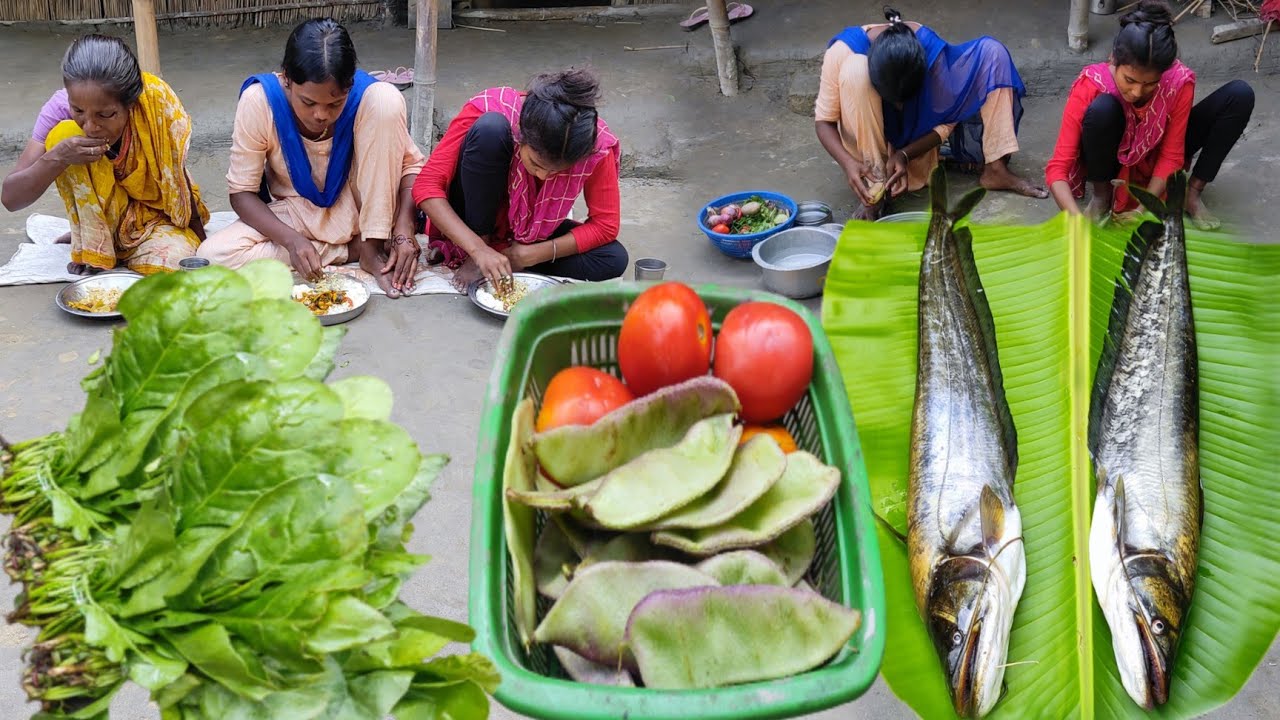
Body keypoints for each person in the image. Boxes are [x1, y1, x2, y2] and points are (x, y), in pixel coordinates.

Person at [198, 18, 424, 297]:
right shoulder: (260, 102)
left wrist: (403, 229)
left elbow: (411, 167)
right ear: (287, 79)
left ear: (349, 87)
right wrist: (291, 241)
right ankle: (352, 251)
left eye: (335, 104)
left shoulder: (368, 98)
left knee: (386, 99)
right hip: (297, 213)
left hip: (366, 213)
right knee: (213, 255)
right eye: (308, 102)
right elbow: (242, 193)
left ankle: (373, 245)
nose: (321, 114)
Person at [1, 35, 208, 275]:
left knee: (175, 263)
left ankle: (113, 243)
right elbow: (11, 198)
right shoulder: (58, 110)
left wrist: (202, 239)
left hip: (156, 217)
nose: (89, 126)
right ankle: (96, 244)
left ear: (130, 105)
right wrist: (59, 157)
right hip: (110, 217)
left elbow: (176, 179)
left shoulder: (154, 105)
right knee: (63, 134)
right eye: (78, 110)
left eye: (105, 115)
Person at [815, 7, 1046, 220]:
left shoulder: (927, 50)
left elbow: (947, 121)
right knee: (855, 71)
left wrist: (904, 154)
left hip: (915, 156)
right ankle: (874, 187)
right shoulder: (843, 52)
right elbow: (823, 122)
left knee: (993, 53)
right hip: (867, 152)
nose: (898, 107)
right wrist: (848, 163)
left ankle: (996, 170)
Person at [1045, 1, 1254, 229]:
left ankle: (1191, 193)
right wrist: (1075, 221)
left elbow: (1172, 155)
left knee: (1239, 95)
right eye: (1130, 80)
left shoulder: (1176, 83)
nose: (1136, 92)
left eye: (1150, 84)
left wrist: (1142, 209)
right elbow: (1058, 167)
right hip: (1113, 157)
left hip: (1157, 152)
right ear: (1113, 59)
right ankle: (1101, 198)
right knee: (1103, 109)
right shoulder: (1091, 83)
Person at [413, 68, 627, 286]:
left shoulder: (594, 146)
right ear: (520, 134)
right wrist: (478, 249)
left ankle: (503, 260)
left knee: (612, 259)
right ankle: (475, 253)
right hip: (474, 219)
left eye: (558, 172)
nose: (544, 175)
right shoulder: (491, 108)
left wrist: (529, 255)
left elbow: (605, 225)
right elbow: (426, 187)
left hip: (532, 234)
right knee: (490, 130)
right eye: (535, 164)